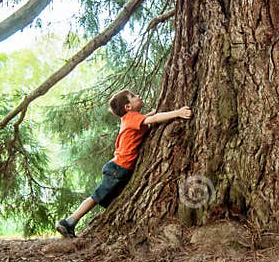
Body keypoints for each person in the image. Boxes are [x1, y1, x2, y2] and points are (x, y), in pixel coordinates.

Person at [55, 90, 192, 238]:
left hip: (118, 167)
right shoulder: (132, 118)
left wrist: (157, 111)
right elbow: (154, 118)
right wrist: (177, 113)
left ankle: (72, 223)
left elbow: (150, 116)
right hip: (118, 168)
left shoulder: (130, 118)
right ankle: (69, 222)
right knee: (97, 197)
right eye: (133, 96)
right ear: (128, 107)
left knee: (111, 200)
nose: (138, 96)